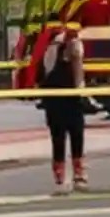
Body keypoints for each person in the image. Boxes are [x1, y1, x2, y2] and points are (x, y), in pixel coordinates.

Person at [39, 27, 88, 194]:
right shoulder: (70, 46)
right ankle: (77, 176)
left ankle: (61, 178)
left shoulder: (49, 49)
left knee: (59, 138)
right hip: (67, 99)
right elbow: (78, 73)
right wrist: (83, 92)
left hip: (54, 99)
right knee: (75, 135)